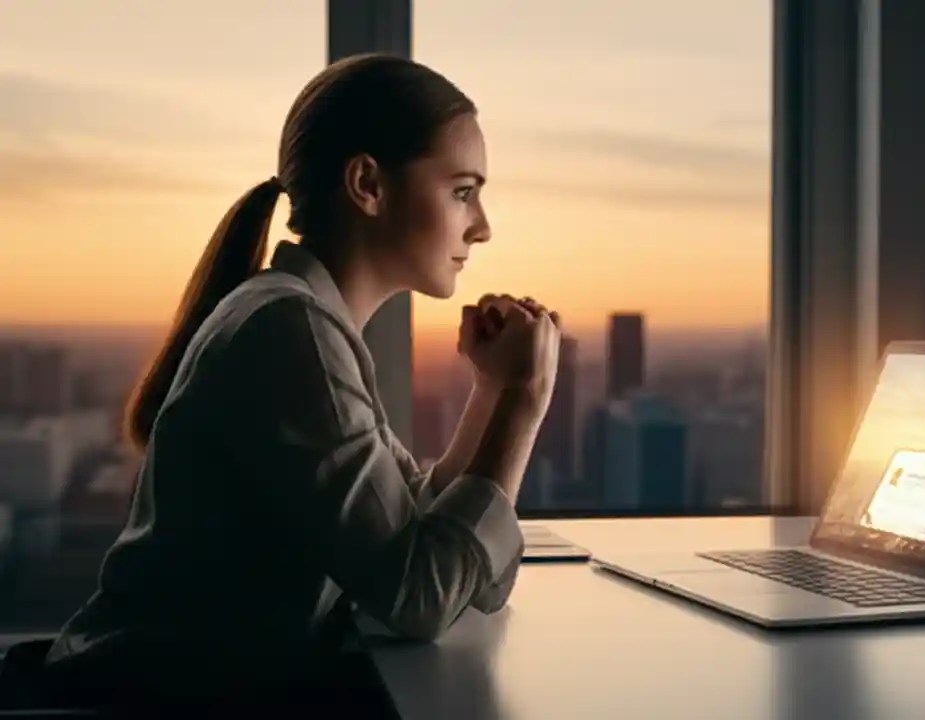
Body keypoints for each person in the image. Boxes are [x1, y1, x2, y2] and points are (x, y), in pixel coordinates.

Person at [38, 53, 560, 711]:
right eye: (462, 191)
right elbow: (417, 597)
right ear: (368, 184)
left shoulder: (303, 319)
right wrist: (522, 402)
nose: (481, 226)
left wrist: (490, 393)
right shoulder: (290, 331)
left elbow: (417, 539)